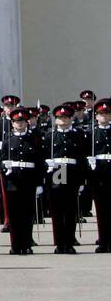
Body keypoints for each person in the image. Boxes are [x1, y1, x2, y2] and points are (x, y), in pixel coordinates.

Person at [45, 104, 88, 254]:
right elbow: (43, 156)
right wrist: (47, 167)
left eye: (66, 117)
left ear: (71, 119)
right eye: (59, 117)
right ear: (55, 120)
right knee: (57, 211)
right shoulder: (50, 136)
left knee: (70, 210)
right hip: (56, 173)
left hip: (72, 173)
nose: (63, 120)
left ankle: (69, 242)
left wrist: (82, 181)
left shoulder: (78, 135)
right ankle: (59, 243)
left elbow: (82, 159)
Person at [0, 107, 42, 253]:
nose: (20, 124)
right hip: (13, 181)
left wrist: (39, 183)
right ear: (12, 123)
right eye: (17, 121)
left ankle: (27, 244)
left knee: (27, 214)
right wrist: (5, 167)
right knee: (14, 215)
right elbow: (1, 160)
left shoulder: (34, 140)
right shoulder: (8, 141)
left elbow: (39, 162)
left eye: (23, 121)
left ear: (27, 123)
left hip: (29, 181)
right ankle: (15, 245)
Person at [89, 100, 111, 252]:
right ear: (96, 116)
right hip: (99, 175)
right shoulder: (91, 134)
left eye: (107, 113)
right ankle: (103, 241)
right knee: (101, 210)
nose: (104, 116)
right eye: (101, 114)